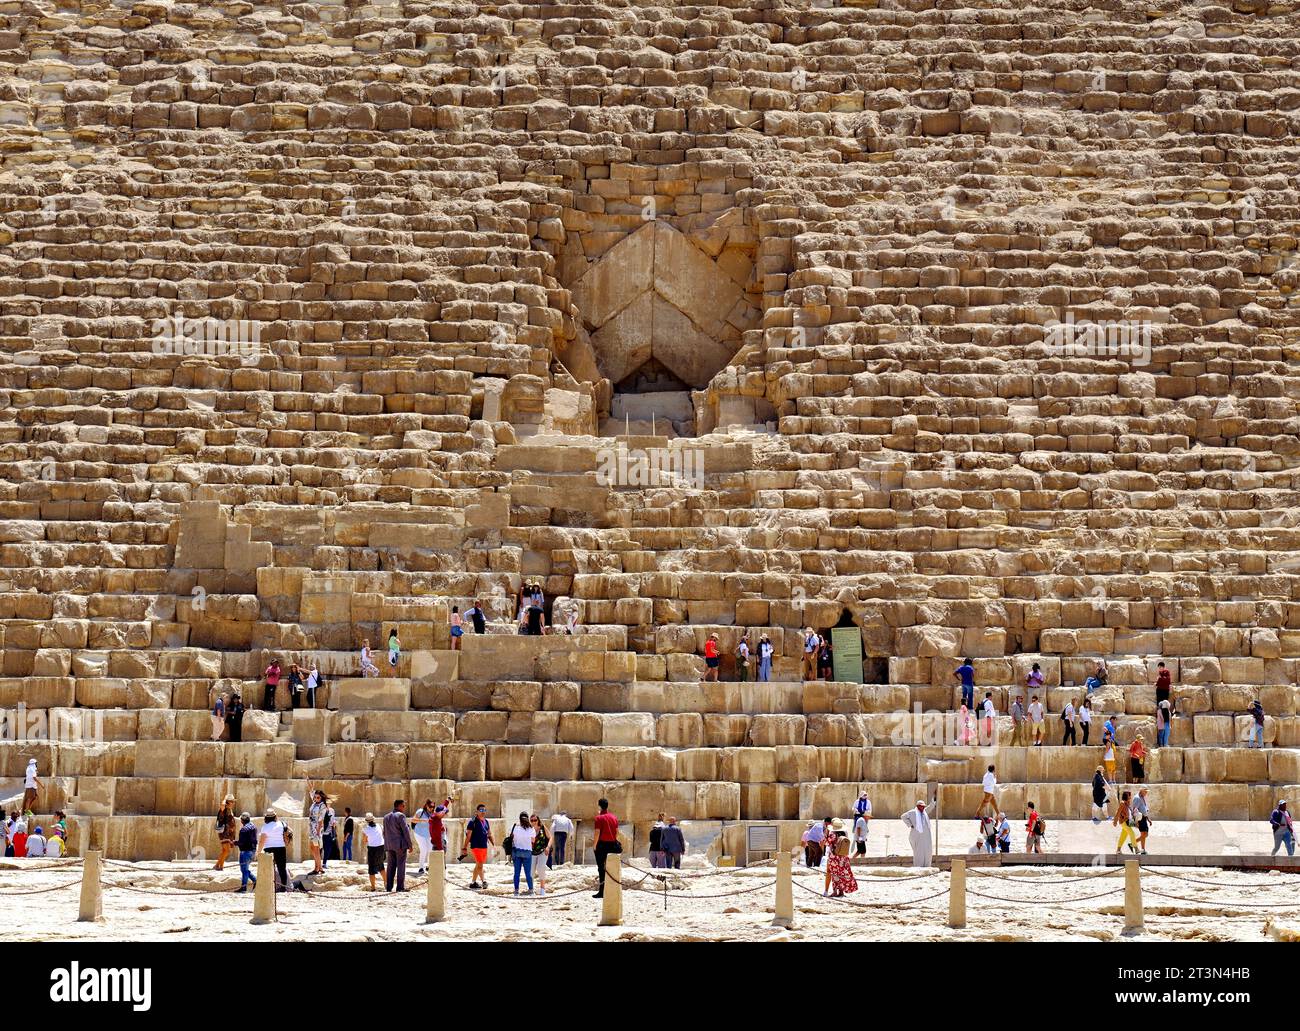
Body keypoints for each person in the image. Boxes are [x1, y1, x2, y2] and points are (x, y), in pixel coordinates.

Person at [592, 797, 620, 898]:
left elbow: (597, 833)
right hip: (612, 845)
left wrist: (594, 845)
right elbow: (617, 832)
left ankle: (602, 892)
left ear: (599, 806)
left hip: (602, 845)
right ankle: (611, 890)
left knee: (601, 868)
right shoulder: (614, 817)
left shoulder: (599, 818)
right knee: (611, 868)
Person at [382, 799, 413, 892]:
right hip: (400, 845)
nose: (404, 807)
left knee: (390, 866)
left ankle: (389, 887)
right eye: (403, 806)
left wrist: (387, 843)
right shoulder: (400, 816)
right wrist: (410, 845)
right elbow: (406, 831)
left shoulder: (386, 817)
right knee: (401, 866)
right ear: (399, 806)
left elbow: (384, 832)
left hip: (389, 845)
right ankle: (400, 887)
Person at [257, 810, 291, 892]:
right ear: (275, 816)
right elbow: (290, 832)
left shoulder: (265, 827)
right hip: (281, 847)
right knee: (282, 868)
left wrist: (258, 852)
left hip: (269, 849)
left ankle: (270, 887)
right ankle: (283, 887)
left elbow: (262, 841)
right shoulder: (281, 824)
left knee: (270, 868)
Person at [823, 819, 858, 898]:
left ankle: (835, 891)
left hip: (834, 857)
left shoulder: (833, 834)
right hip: (843, 857)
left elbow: (826, 843)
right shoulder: (844, 834)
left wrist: (826, 833)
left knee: (834, 874)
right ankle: (841, 891)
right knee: (841, 874)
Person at [463, 803, 494, 890]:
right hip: (476, 846)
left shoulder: (486, 821)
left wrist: (493, 844)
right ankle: (484, 881)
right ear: (476, 812)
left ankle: (473, 882)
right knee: (480, 865)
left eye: (484, 810)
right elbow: (468, 836)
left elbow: (489, 834)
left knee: (478, 865)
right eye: (481, 810)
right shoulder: (472, 822)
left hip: (484, 846)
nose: (483, 812)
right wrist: (464, 847)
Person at [508, 811, 535, 895]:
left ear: (519, 819)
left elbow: (511, 838)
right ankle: (531, 889)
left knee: (517, 873)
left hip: (517, 852)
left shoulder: (514, 827)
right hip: (527, 852)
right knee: (528, 873)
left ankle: (516, 890)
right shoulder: (531, 829)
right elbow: (533, 840)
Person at [901, 800, 933, 867]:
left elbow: (930, 807)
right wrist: (910, 824)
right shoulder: (912, 812)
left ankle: (927, 866)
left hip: (926, 836)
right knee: (918, 852)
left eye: (923, 806)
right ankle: (918, 866)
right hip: (917, 836)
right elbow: (903, 816)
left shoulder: (925, 812)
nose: (922, 808)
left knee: (927, 851)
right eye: (921, 806)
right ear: (917, 806)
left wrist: (934, 799)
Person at [307, 787, 329, 875]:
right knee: (313, 848)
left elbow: (321, 820)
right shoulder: (314, 803)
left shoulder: (322, 806)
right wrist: (308, 781)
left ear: (321, 798)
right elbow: (310, 790)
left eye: (318, 797)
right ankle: (318, 867)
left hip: (316, 829)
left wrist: (318, 832)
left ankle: (319, 868)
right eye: (315, 797)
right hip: (311, 828)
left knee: (316, 849)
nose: (316, 798)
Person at [362, 813, 386, 890]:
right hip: (381, 847)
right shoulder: (379, 826)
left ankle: (373, 887)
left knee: (371, 869)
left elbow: (364, 840)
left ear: (367, 821)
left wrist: (369, 839)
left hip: (372, 849)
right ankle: (386, 882)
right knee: (381, 866)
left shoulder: (366, 829)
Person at [214, 794, 237, 871]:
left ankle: (218, 865)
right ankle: (219, 866)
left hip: (228, 834)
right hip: (224, 833)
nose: (233, 803)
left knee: (224, 850)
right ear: (228, 802)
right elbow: (222, 805)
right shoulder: (224, 809)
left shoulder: (230, 810)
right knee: (227, 850)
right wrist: (225, 800)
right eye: (231, 801)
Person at [236, 813, 258, 893]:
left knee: (244, 870)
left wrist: (234, 842)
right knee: (245, 869)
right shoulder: (254, 827)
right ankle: (255, 880)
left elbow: (241, 842)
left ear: (242, 820)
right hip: (252, 851)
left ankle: (244, 887)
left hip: (245, 852)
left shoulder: (243, 829)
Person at [529, 814, 550, 895]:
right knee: (531, 871)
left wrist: (548, 847)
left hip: (543, 851)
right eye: (532, 820)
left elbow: (550, 837)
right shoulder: (529, 829)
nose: (533, 822)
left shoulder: (542, 827)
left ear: (538, 820)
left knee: (541, 868)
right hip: (532, 852)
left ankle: (542, 888)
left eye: (535, 820)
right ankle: (531, 889)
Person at [412, 799, 434, 875]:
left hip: (428, 834)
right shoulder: (420, 811)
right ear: (426, 805)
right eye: (430, 806)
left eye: (433, 807)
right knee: (424, 849)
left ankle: (429, 866)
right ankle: (421, 867)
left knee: (430, 849)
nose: (432, 808)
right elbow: (413, 820)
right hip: (419, 833)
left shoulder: (432, 813)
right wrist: (422, 820)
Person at [1133, 788, 1151, 854]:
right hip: (1140, 819)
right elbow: (1135, 810)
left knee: (1144, 834)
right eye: (1145, 791)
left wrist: (1148, 819)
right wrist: (1136, 822)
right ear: (1141, 791)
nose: (1146, 793)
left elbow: (1144, 809)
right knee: (1145, 834)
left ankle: (1143, 849)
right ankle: (1133, 843)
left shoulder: (1142, 797)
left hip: (1144, 818)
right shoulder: (1137, 798)